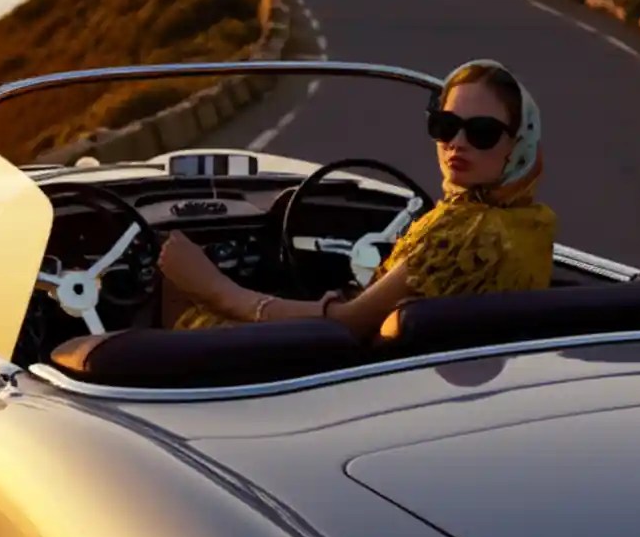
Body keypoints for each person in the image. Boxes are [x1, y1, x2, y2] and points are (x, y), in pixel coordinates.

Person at [157, 59, 557, 340]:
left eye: (482, 132)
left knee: (176, 290)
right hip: (421, 380)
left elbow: (348, 324)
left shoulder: (465, 232)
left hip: (347, 373)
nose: (457, 143)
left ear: (518, 145)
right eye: (445, 125)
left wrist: (215, 288)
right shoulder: (531, 225)